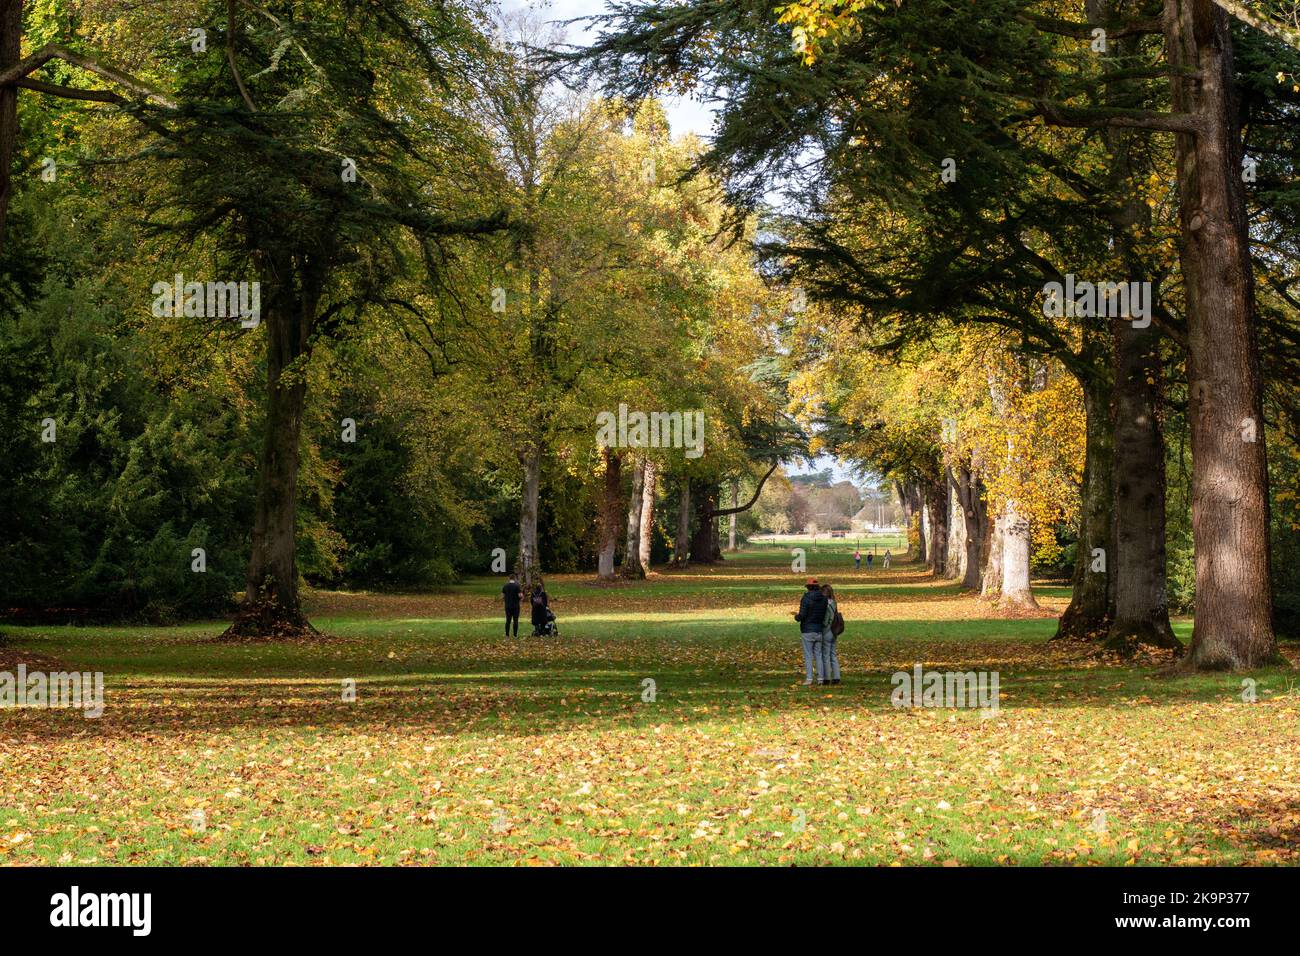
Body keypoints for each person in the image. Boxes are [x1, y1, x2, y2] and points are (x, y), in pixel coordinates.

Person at [793, 577, 828, 686]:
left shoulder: (806, 598)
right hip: (819, 630)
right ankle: (821, 678)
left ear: (808, 587)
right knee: (818, 655)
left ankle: (809, 678)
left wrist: (796, 617)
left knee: (808, 655)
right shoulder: (824, 599)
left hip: (807, 630)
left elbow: (802, 615)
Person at [820, 584, 841, 685]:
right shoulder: (834, 603)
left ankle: (826, 677)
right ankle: (837, 676)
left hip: (827, 631)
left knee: (825, 655)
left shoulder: (826, 604)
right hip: (834, 631)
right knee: (833, 654)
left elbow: (826, 621)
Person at [502, 573, 521, 638]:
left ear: (509, 578)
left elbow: (503, 596)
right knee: (515, 620)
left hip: (507, 606)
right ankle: (515, 635)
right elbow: (520, 595)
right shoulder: (517, 586)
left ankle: (507, 635)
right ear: (515, 578)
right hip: (515, 606)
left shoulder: (505, 586)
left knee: (508, 620)